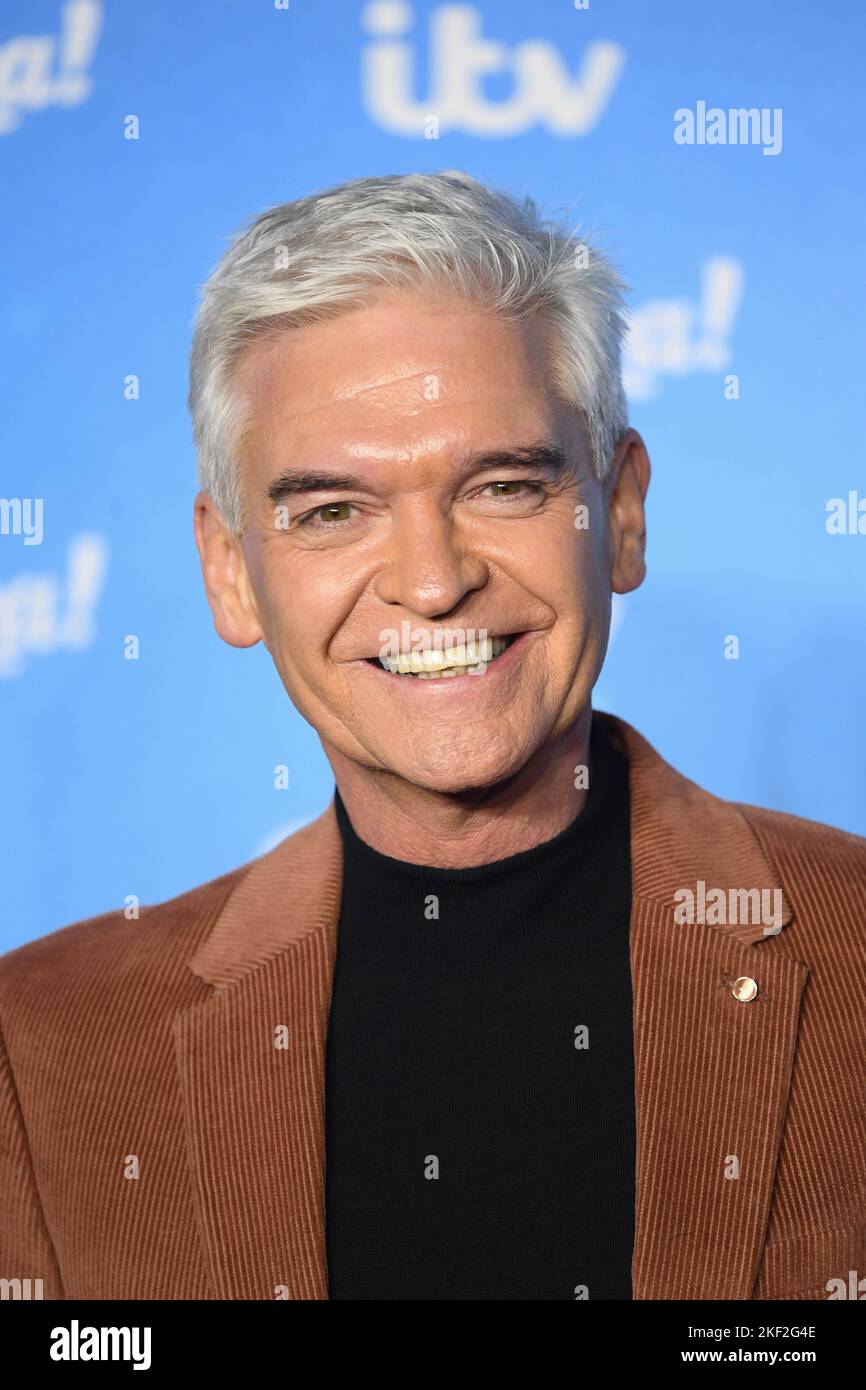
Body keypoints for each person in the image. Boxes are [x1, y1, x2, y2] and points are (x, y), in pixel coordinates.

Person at [1, 172, 864, 1301]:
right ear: (230, 572)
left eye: (502, 485)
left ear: (621, 513)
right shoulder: (44, 1045)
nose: (430, 580)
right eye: (329, 511)